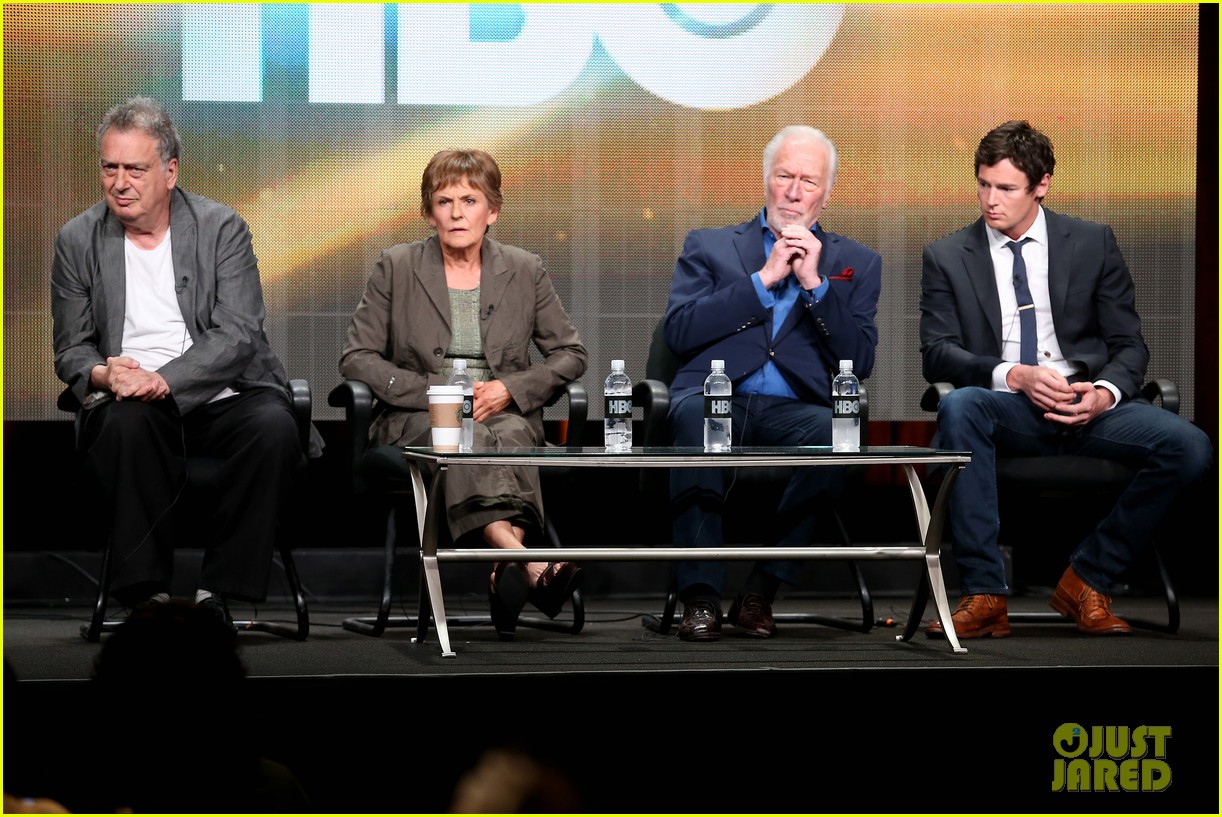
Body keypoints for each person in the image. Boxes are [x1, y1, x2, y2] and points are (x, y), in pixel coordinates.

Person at [919, 120, 1213, 638]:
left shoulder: (1092, 242)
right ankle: (985, 592)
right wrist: (1016, 376)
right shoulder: (946, 256)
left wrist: (1103, 395)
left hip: (1087, 405)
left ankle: (1088, 578)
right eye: (983, 184)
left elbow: (1129, 347)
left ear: (1042, 184)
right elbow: (938, 355)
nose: (991, 200)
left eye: (1006, 188)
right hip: (1007, 409)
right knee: (960, 405)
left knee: (1191, 447)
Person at [51, 96, 309, 626]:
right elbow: (72, 347)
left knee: (274, 427)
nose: (120, 182)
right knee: (124, 425)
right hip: (131, 405)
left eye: (135, 169)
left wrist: (162, 380)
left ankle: (222, 594)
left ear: (169, 172)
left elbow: (238, 335)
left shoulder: (221, 229)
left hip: (219, 394)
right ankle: (146, 600)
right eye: (110, 167)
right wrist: (104, 373)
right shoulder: (77, 240)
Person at [339, 148, 588, 640]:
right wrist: (438, 392)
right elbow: (357, 357)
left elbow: (571, 353)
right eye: (444, 200)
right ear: (428, 211)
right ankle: (526, 560)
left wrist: (510, 388)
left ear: (492, 211)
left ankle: (506, 570)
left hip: (503, 413)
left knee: (512, 433)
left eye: (469, 200)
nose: (456, 213)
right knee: (457, 440)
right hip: (419, 415)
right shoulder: (396, 266)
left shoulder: (524, 268)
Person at [663, 125, 882, 641]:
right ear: (766, 180)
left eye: (808, 180)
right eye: (784, 175)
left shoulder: (857, 262)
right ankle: (699, 599)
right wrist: (761, 280)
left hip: (795, 407)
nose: (794, 190)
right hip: (717, 396)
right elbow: (679, 332)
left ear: (827, 193)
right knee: (697, 417)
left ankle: (760, 592)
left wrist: (815, 285)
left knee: (839, 436)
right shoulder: (711, 246)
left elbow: (861, 359)